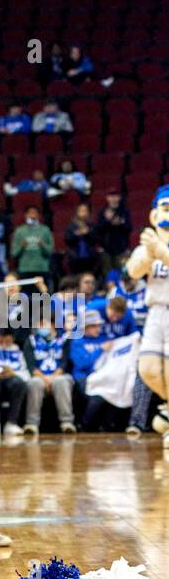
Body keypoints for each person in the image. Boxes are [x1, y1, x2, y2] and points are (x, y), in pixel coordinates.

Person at [126, 186, 169, 447]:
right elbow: (133, 271)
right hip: (155, 310)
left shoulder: (159, 244)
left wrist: (161, 250)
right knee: (148, 368)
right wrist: (149, 250)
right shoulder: (151, 240)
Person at [24, 315, 75, 434]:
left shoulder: (65, 339)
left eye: (44, 324)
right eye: (39, 324)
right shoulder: (31, 340)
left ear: (53, 325)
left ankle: (67, 422)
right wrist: (45, 379)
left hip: (60, 375)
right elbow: (31, 366)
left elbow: (65, 363)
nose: (40, 327)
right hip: (39, 376)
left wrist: (52, 378)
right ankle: (32, 424)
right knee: (34, 383)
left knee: (60, 381)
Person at [0, 329, 28, 440]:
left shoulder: (18, 352)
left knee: (20, 384)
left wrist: (13, 373)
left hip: (12, 378)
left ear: (12, 338)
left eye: (7, 339)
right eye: (1, 339)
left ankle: (11, 423)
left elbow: (25, 373)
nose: (4, 342)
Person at [11, 206, 54, 285]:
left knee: (42, 295)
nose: (32, 216)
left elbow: (50, 251)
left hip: (41, 269)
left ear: (38, 215)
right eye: (30, 213)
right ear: (25, 215)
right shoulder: (19, 231)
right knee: (25, 296)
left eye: (34, 213)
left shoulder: (45, 230)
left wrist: (42, 245)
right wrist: (22, 246)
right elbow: (14, 253)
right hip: (25, 269)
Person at [94, 192, 132, 271]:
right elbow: (98, 229)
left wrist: (120, 222)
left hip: (121, 247)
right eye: (111, 196)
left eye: (116, 196)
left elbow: (129, 228)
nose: (113, 198)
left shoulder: (124, 212)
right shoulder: (102, 212)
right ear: (107, 198)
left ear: (119, 197)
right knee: (108, 272)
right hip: (106, 248)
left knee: (123, 272)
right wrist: (107, 220)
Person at [65, 203, 99, 275]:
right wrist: (77, 234)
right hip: (75, 256)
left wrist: (87, 234)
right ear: (77, 212)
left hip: (90, 257)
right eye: (81, 210)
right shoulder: (71, 226)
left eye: (85, 211)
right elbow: (67, 240)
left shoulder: (91, 226)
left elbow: (95, 240)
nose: (83, 213)